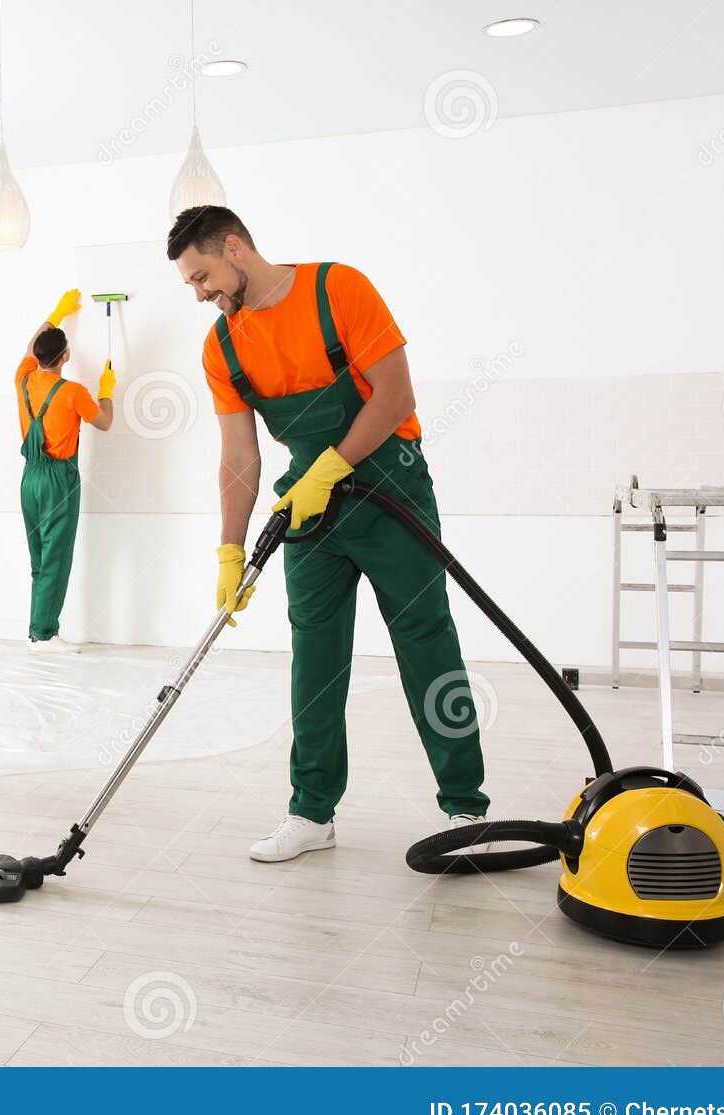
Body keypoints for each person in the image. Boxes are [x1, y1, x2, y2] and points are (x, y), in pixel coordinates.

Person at [167, 206, 491, 862]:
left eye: (203, 276)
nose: (200, 294)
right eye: (191, 286)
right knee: (314, 657)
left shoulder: (336, 290)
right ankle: (312, 811)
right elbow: (239, 453)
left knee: (426, 640)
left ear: (234, 248)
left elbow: (395, 396)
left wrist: (335, 467)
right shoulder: (222, 345)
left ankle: (465, 807)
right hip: (311, 512)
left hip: (391, 487)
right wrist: (231, 549)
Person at [15, 290, 115, 654]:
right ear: (66, 356)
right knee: (56, 556)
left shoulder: (23, 380)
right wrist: (106, 391)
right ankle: (43, 635)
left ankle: (36, 631)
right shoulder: (73, 392)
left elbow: (30, 345)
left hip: (30, 479)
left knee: (39, 557)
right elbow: (103, 423)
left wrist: (55, 315)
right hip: (59, 479)